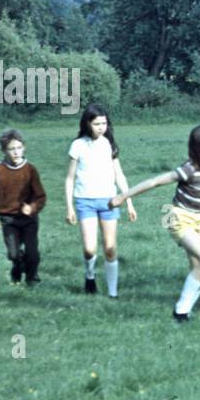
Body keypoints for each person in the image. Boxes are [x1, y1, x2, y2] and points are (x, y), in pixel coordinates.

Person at [109, 124, 200, 322]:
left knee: (199, 268)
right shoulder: (188, 169)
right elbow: (155, 182)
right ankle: (180, 311)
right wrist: (123, 196)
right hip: (179, 218)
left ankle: (185, 313)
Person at [65, 105, 135, 296]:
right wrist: (70, 207)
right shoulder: (78, 145)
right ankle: (90, 275)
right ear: (87, 123)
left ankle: (113, 293)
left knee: (110, 248)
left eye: (104, 123)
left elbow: (119, 174)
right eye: (97, 124)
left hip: (109, 201)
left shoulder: (109, 144)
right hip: (85, 201)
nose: (101, 127)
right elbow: (70, 178)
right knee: (89, 249)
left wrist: (128, 202)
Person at [0, 128, 47, 285]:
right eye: (11, 149)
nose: (16, 152)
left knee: (32, 253)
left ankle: (32, 279)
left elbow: (41, 196)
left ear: (24, 147)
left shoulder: (30, 170)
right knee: (13, 254)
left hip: (29, 220)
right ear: (3, 150)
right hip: (8, 219)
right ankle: (17, 266)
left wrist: (32, 207)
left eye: (19, 148)